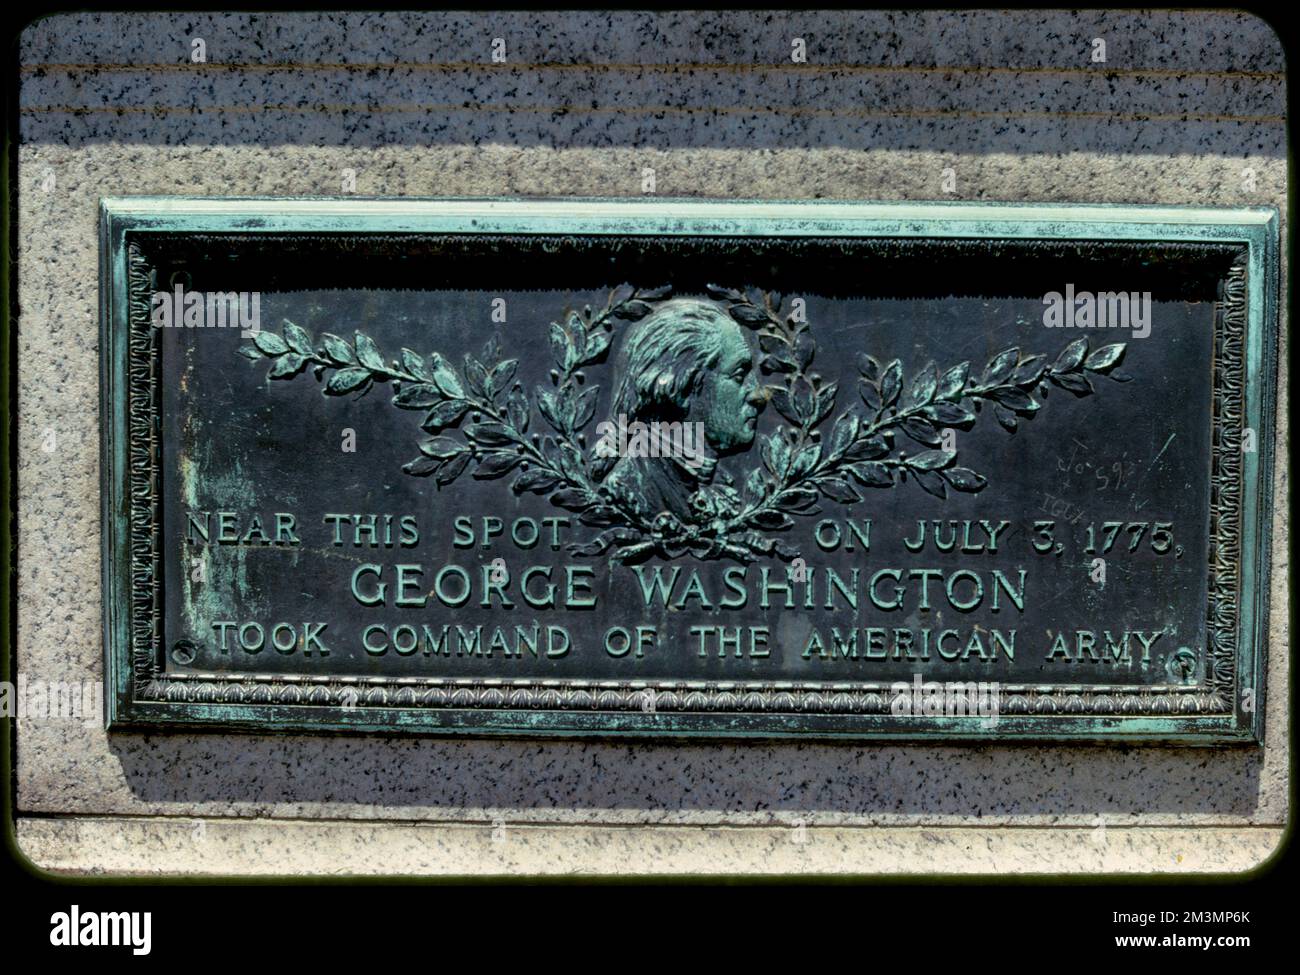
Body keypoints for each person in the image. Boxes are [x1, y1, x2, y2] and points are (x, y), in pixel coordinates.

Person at [595, 298, 765, 523]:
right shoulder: (632, 491)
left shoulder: (716, 485)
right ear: (681, 386)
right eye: (739, 375)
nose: (758, 395)